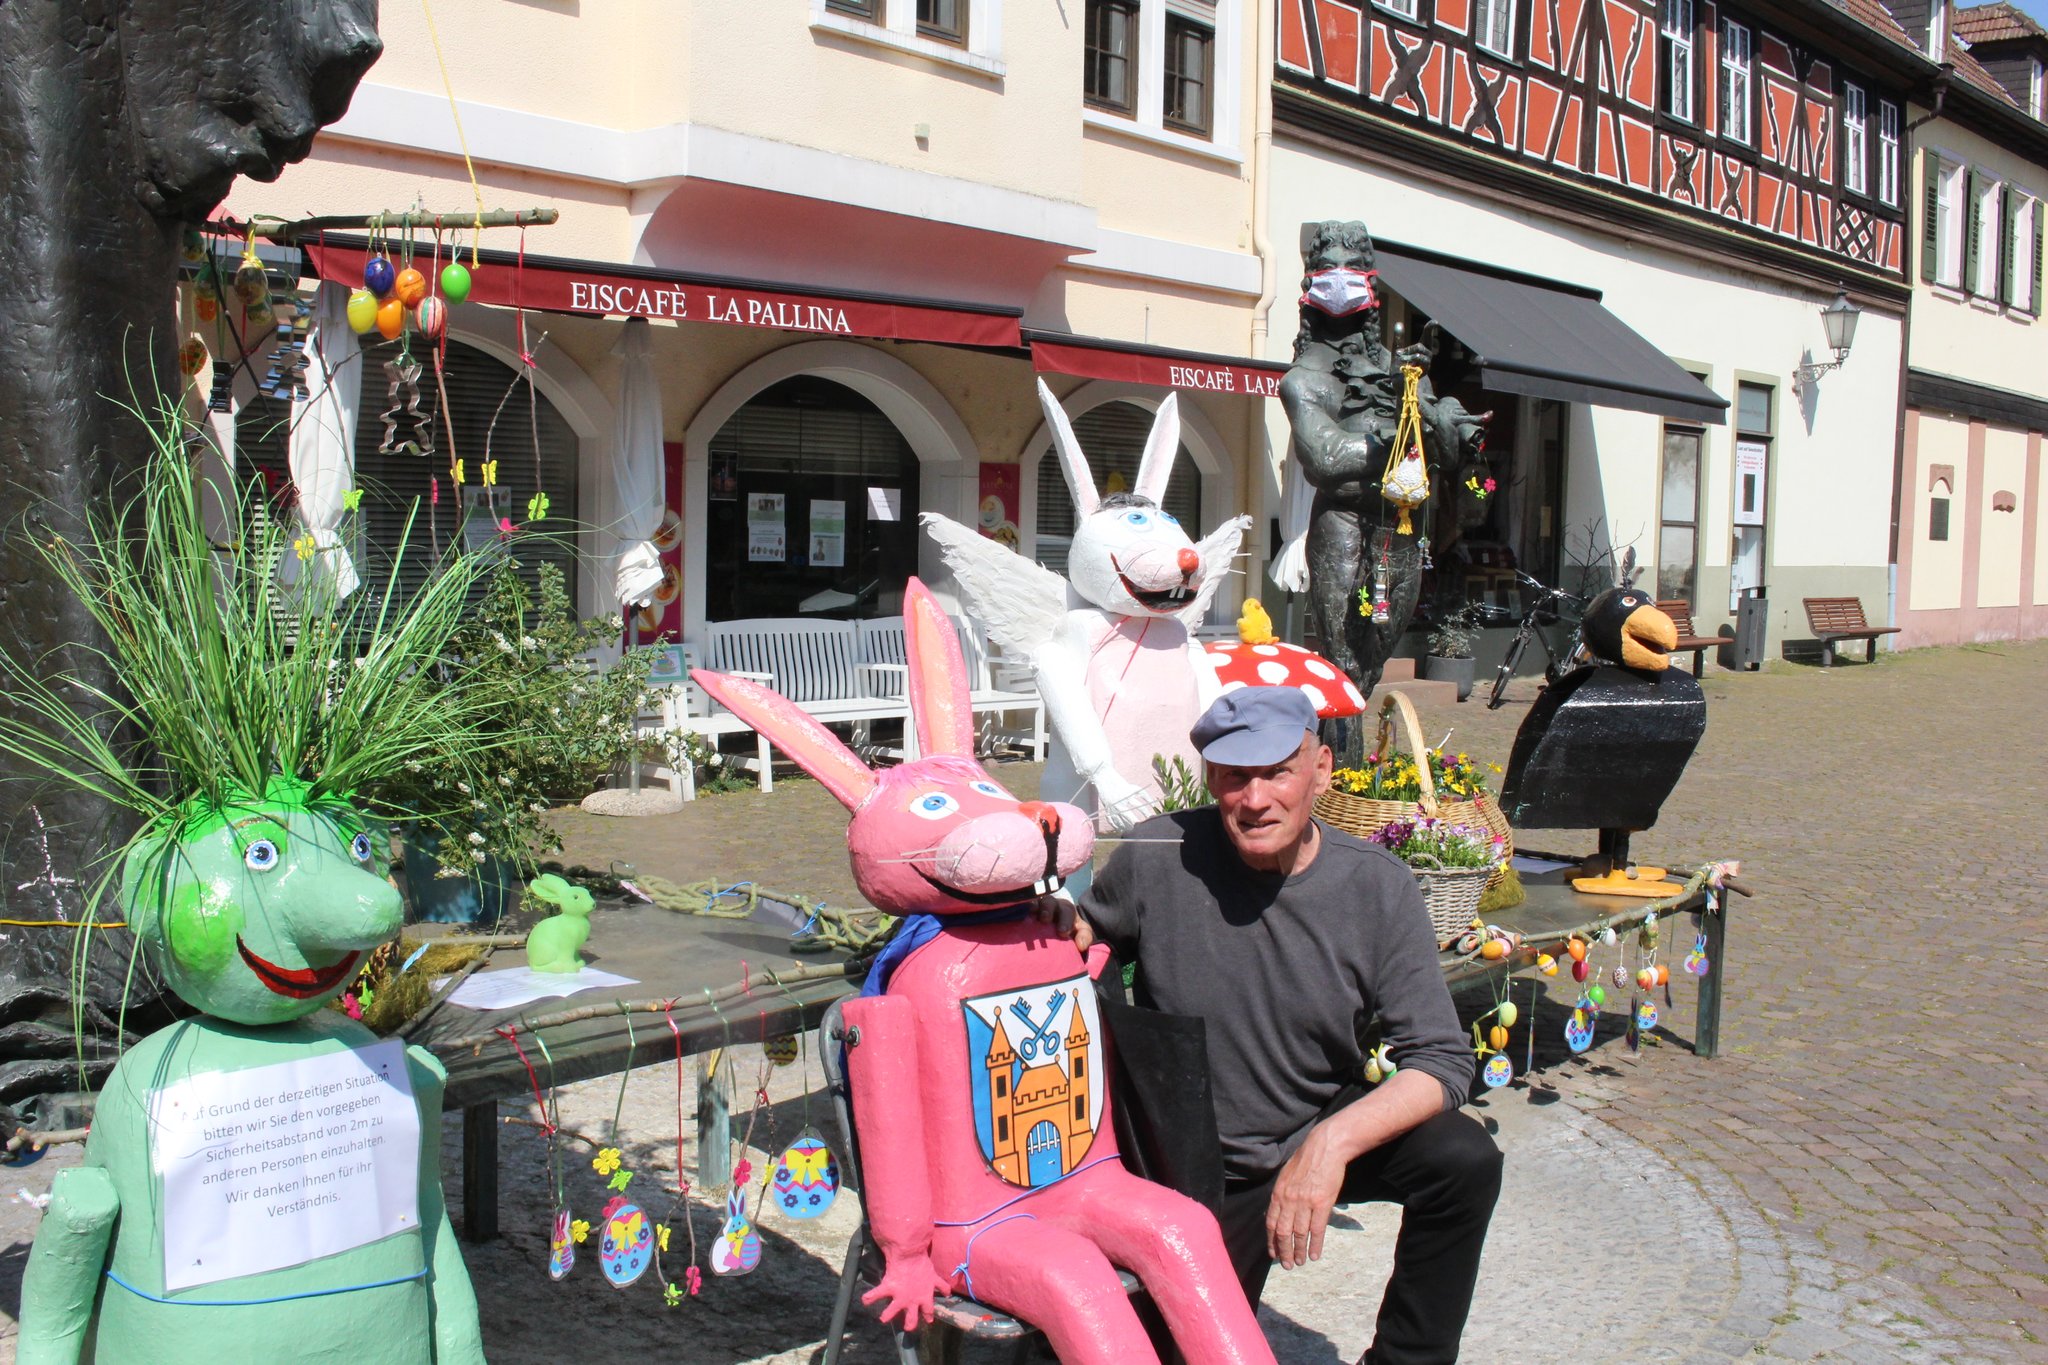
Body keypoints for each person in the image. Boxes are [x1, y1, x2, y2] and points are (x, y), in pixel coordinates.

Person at [1058, 685, 1502, 1365]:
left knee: (1463, 1160)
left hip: (1310, 1120)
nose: (1256, 798)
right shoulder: (1156, 853)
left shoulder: (1376, 887)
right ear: (1212, 778)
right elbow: (1087, 929)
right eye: (1236, 776)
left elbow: (1441, 1061)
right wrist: (1052, 923)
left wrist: (1329, 1146)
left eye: (1277, 772)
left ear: (1321, 768)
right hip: (1199, 1167)